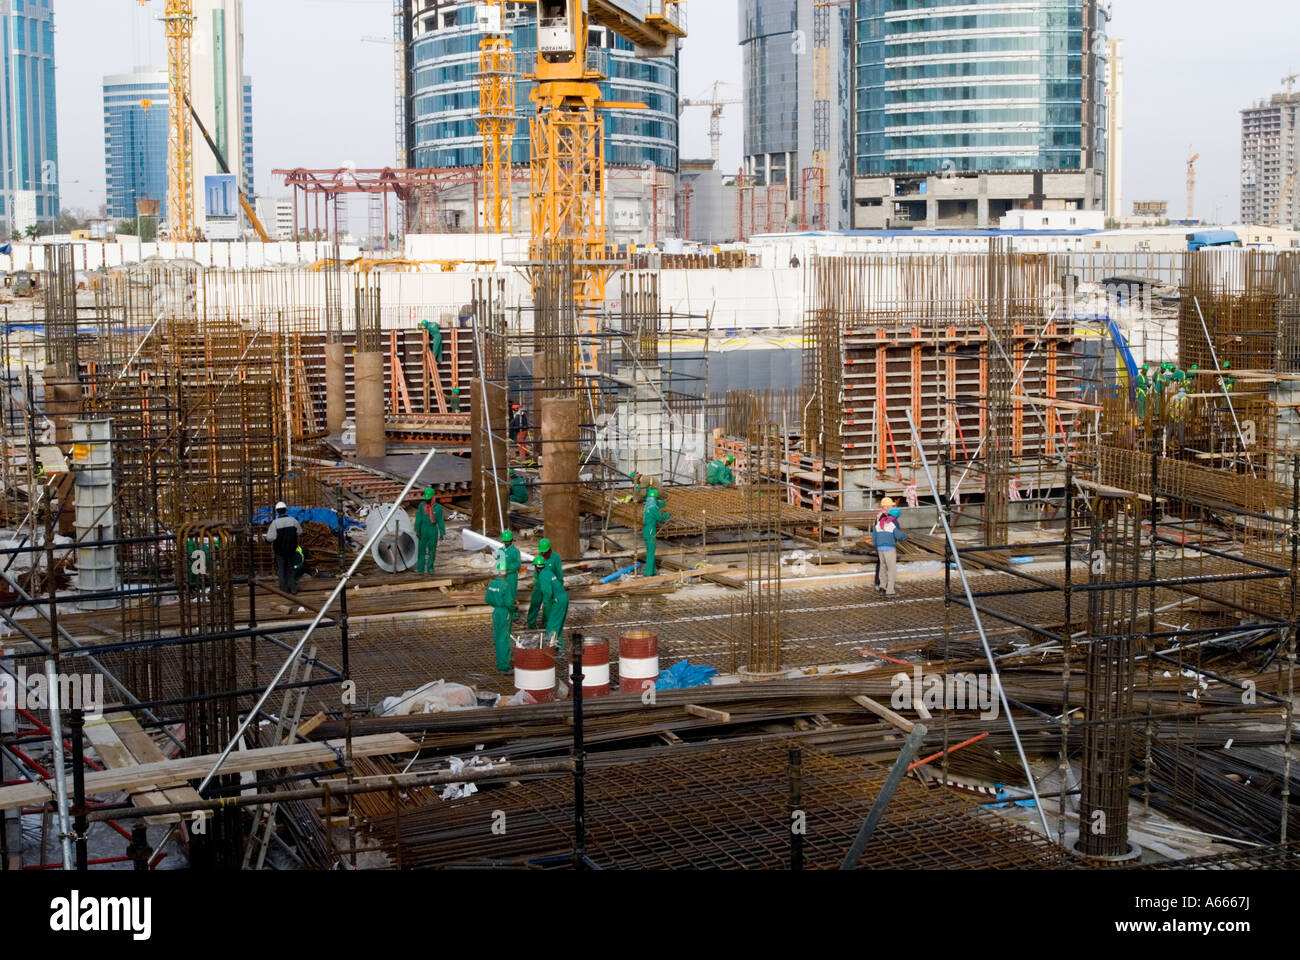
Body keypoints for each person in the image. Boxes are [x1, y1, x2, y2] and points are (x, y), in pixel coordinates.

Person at [533, 554, 569, 652]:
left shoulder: (542, 575)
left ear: (536, 567)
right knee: (558, 625)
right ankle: (559, 648)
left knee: (551, 626)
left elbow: (547, 593)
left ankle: (551, 650)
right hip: (563, 598)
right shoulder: (548, 571)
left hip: (558, 601)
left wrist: (547, 609)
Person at [264, 501, 302, 594]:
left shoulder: (275, 523)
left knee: (281, 570)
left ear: (277, 511)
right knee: (291, 569)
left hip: (279, 551)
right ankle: (293, 588)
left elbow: (271, 537)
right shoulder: (293, 520)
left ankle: (284, 590)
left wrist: (266, 540)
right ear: (286, 510)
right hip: (291, 550)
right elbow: (300, 532)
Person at [485, 560, 515, 673]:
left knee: (498, 637)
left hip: (496, 611)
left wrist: (496, 604)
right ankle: (504, 666)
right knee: (505, 638)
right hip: (504, 612)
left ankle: (500, 663)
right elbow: (509, 603)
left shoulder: (491, 583)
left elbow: (487, 599)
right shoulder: (505, 585)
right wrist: (514, 608)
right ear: (505, 572)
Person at [526, 537, 563, 628]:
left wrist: (559, 586)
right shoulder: (539, 556)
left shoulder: (556, 558)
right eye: (541, 551)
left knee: (548, 606)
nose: (543, 553)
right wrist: (534, 581)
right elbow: (535, 572)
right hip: (538, 585)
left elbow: (559, 573)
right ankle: (530, 623)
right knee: (534, 604)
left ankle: (546, 624)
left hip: (549, 586)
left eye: (544, 551)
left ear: (549, 548)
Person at [872, 506, 908, 597]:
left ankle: (882, 588)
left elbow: (874, 538)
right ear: (896, 516)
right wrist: (906, 536)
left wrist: (878, 546)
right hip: (889, 549)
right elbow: (899, 536)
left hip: (880, 549)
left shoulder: (879, 523)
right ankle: (890, 591)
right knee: (891, 569)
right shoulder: (892, 524)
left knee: (882, 568)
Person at [414, 487, 446, 574]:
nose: (426, 501)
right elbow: (418, 518)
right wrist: (417, 529)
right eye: (425, 499)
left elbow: (440, 520)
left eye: (428, 499)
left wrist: (442, 533)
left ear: (433, 498)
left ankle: (430, 568)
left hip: (433, 530)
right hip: (423, 529)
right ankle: (420, 569)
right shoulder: (421, 506)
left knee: (432, 550)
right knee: (421, 550)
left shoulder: (438, 508)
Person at [642, 489, 670, 577]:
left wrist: (667, 502)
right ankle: (648, 572)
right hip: (650, 530)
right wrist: (668, 514)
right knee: (651, 551)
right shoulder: (653, 508)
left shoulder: (648, 505)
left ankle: (652, 570)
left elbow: (658, 505)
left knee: (650, 551)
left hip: (646, 529)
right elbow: (660, 517)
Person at [496, 530, 522, 619]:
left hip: (511, 576)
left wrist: (507, 567)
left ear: (511, 540)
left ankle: (514, 613)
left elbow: (517, 564)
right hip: (502, 575)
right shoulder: (501, 550)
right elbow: (499, 561)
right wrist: (500, 569)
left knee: (512, 594)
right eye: (505, 541)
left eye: (508, 541)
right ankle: (505, 612)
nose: (506, 542)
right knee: (503, 593)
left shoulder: (515, 551)